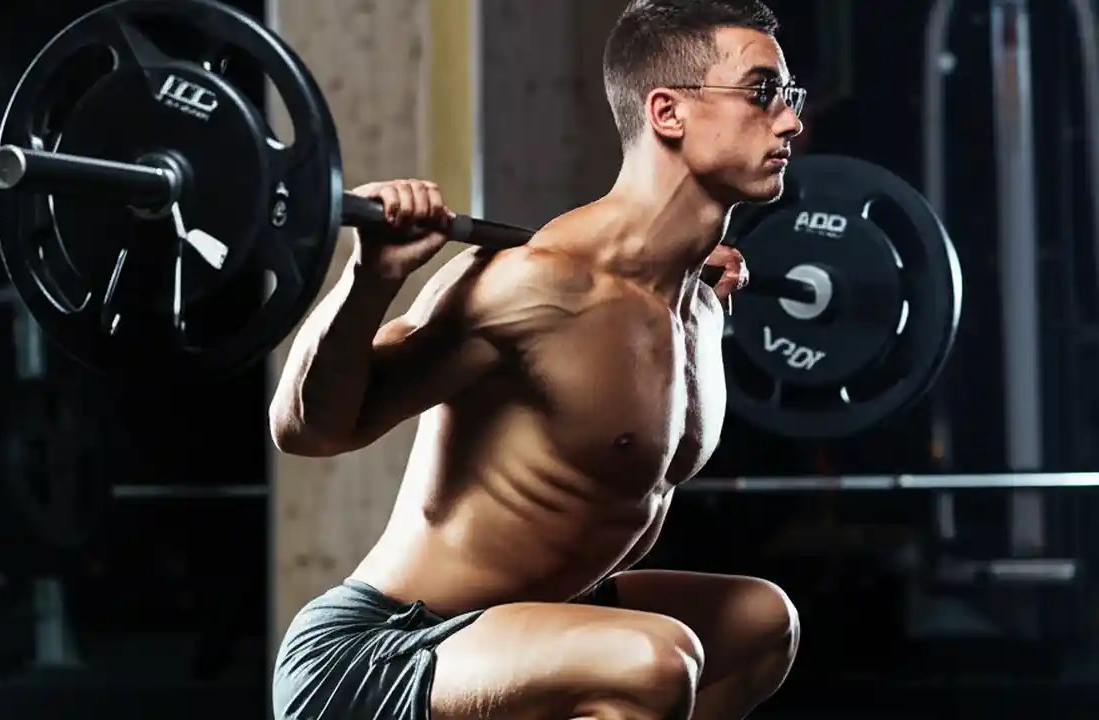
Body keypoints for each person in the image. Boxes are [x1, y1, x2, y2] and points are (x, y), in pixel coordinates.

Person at [270, 1, 804, 718]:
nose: (791, 121)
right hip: (381, 656)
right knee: (651, 659)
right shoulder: (536, 285)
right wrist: (373, 278)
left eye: (788, 97)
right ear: (667, 113)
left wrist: (680, 271)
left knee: (761, 624)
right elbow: (306, 429)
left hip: (530, 626)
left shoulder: (697, 302)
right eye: (762, 92)